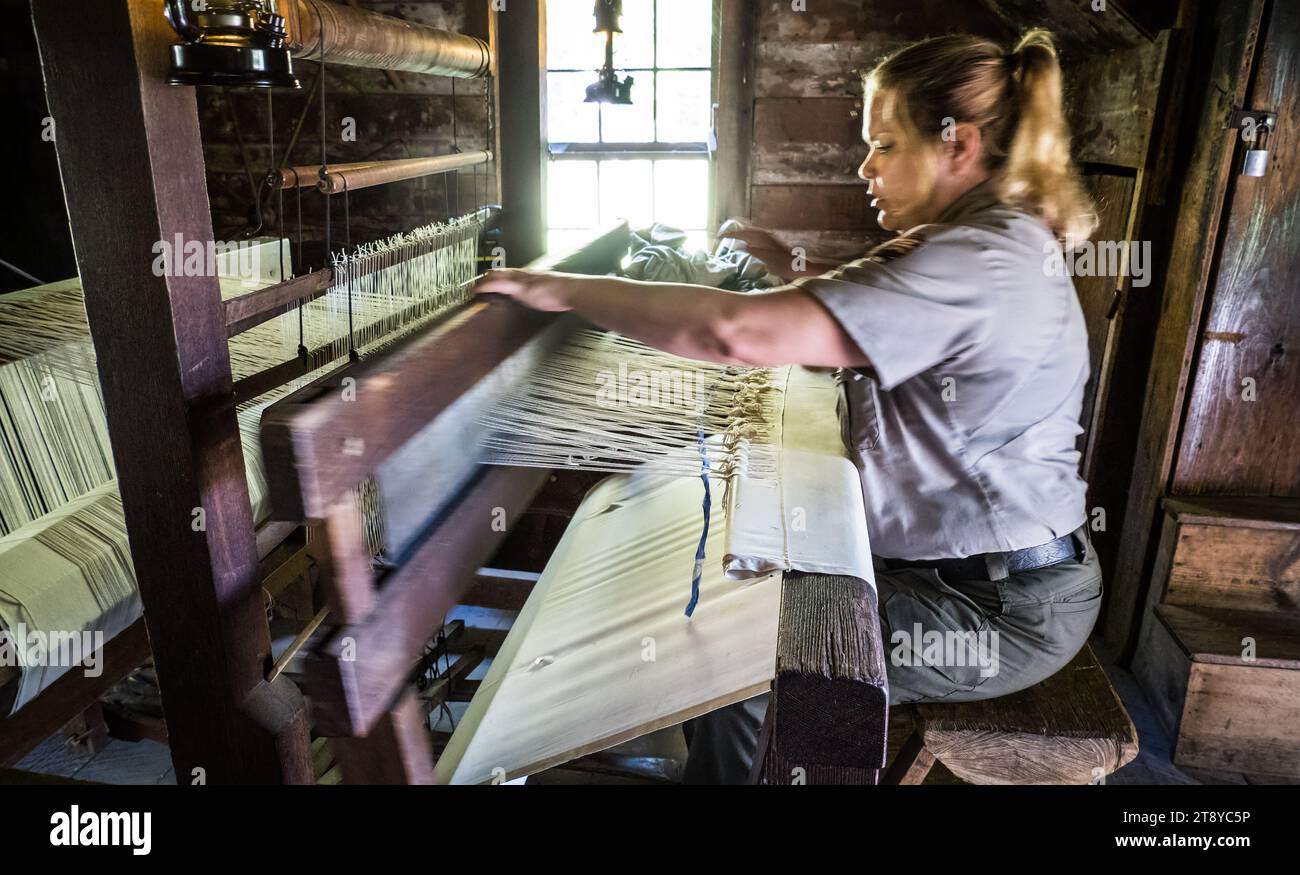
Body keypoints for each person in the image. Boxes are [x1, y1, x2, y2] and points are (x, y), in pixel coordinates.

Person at [474, 29, 1104, 784]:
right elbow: (870, 319)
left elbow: (733, 333)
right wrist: (789, 267)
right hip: (977, 579)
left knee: (737, 654)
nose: (864, 166)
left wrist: (560, 290)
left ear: (958, 145)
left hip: (997, 611)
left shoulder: (977, 259)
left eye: (884, 144)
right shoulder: (984, 242)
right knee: (723, 605)